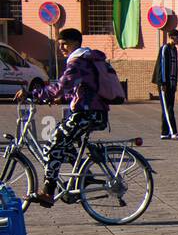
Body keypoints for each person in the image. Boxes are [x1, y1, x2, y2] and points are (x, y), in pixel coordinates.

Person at [13, 28, 111, 207]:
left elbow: (61, 86)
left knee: (53, 146)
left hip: (87, 114)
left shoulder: (79, 61)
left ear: (75, 43)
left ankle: (48, 192)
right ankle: (84, 177)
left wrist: (33, 94)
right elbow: (76, 90)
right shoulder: (84, 60)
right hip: (90, 112)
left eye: (64, 44)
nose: (61, 48)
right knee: (63, 145)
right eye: (59, 44)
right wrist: (60, 98)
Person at [154, 29, 178, 140]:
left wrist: (174, 83)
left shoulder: (174, 50)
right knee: (168, 108)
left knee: (168, 108)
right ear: (171, 37)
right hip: (164, 84)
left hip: (171, 84)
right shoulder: (165, 48)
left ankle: (165, 132)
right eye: (177, 37)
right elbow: (162, 66)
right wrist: (163, 83)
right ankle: (173, 132)